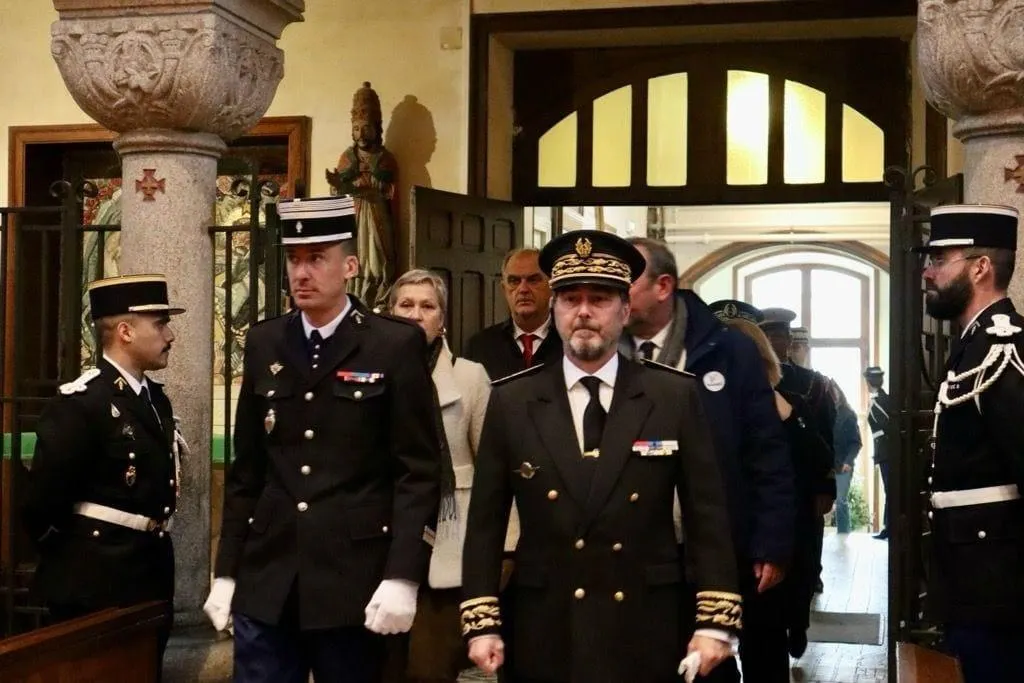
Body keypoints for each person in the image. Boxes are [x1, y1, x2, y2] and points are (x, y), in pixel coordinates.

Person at [461, 231, 742, 683]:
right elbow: (486, 522)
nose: (585, 312)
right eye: (571, 299)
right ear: (554, 310)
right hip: (546, 620)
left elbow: (706, 515)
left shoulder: (672, 395)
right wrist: (482, 621)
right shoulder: (514, 400)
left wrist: (715, 621)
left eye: (600, 299)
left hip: (644, 619)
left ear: (626, 310)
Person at [204, 195, 441, 683]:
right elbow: (247, 470)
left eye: (317, 259)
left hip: (353, 578)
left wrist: (402, 576)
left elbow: (416, 472)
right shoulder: (266, 341)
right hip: (270, 577)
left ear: (350, 265)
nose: (302, 273)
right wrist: (227, 569)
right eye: (294, 259)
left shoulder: (392, 344)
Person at [622, 237, 793, 683]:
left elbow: (765, 452)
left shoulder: (726, 350)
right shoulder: (599, 349)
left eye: (628, 277)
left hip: (709, 546)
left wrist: (771, 542)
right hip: (627, 548)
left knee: (708, 666)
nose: (614, 289)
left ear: (663, 286)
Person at [22, 274, 186, 677]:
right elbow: (42, 502)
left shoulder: (154, 399)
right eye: (159, 323)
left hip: (148, 573)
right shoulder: (83, 404)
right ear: (125, 332)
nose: (170, 334)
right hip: (95, 579)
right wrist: (72, 555)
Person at [916, 204, 1024, 683]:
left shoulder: (1005, 348)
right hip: (972, 576)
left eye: (941, 259)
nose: (927, 270)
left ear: (980, 267)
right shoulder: (972, 344)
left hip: (1001, 584)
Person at [387, 268, 510, 683]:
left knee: (429, 668)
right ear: (389, 313)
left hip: (447, 547)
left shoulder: (469, 376)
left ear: (443, 319)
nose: (416, 314)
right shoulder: (368, 373)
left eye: (427, 306)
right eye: (406, 305)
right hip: (382, 540)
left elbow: (496, 471)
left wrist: (504, 552)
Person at [719, 313, 835, 662]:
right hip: (717, 546)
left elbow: (818, 458)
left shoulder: (789, 403)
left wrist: (787, 415)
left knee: (765, 645)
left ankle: (795, 626)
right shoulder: (697, 404)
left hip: (769, 547)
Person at [759, 308, 836, 599]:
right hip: (764, 483)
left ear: (789, 339)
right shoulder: (747, 378)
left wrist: (826, 487)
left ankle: (803, 599)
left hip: (802, 481)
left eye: (778, 335)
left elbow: (825, 439)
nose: (772, 341)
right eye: (766, 335)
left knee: (806, 548)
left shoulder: (810, 383)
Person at [326, 81, 400, 309]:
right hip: (353, 214)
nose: (361, 133)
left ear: (377, 128)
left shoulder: (385, 158)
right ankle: (353, 298)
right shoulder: (347, 157)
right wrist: (338, 185)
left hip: (376, 214)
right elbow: (338, 192)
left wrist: (365, 186)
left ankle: (378, 299)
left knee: (376, 260)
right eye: (356, 128)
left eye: (366, 128)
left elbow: (387, 190)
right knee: (352, 254)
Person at [464, 248, 561, 380]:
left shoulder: (569, 342)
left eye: (533, 280)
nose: (523, 289)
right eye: (514, 281)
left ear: (551, 286)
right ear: (504, 289)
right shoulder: (479, 347)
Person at [830, 381, 862, 535]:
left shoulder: (848, 414)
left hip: (843, 464)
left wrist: (848, 461)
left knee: (841, 500)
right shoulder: (825, 412)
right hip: (829, 463)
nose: (833, 395)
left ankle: (843, 534)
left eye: (834, 391)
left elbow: (856, 442)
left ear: (839, 393)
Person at [863, 366, 891, 539]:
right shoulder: (882, 399)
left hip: (887, 452)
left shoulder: (878, 402)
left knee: (890, 490)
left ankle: (890, 527)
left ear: (868, 382)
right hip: (885, 451)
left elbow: (886, 427)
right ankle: (889, 526)